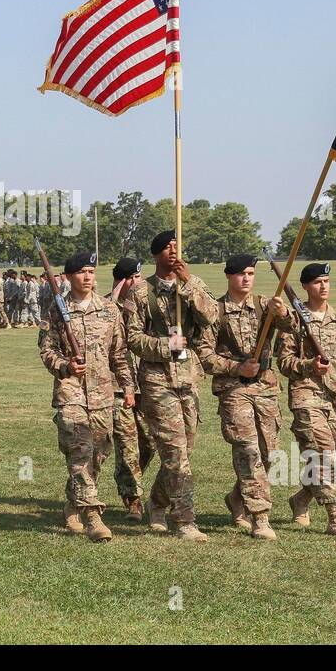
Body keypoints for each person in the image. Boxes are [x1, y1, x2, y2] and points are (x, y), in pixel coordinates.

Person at [121, 230, 218, 542]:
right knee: (175, 453)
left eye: (178, 246)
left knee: (184, 450)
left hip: (188, 378)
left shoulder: (194, 283)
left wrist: (187, 285)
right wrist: (166, 345)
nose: (174, 251)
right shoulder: (140, 292)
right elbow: (133, 338)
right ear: (156, 254)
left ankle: (157, 502)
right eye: (168, 247)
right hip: (157, 380)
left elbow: (210, 317)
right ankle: (185, 519)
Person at [195, 254, 293, 540]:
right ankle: (259, 517)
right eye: (241, 274)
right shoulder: (215, 311)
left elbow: (293, 328)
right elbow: (204, 355)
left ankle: (236, 498)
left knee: (269, 454)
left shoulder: (265, 305)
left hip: (265, 388)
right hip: (233, 389)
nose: (246, 279)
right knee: (248, 450)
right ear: (229, 276)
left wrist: (283, 314)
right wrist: (237, 367)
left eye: (250, 273)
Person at [39, 251, 134, 542]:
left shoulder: (109, 310)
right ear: (69, 277)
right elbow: (47, 350)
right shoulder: (57, 310)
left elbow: (119, 354)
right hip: (71, 392)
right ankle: (93, 516)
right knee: (79, 451)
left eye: (91, 272)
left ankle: (73, 502)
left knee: (97, 455)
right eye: (81, 272)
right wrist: (65, 366)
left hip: (103, 393)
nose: (88, 277)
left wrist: (128, 387)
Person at [278, 263, 336, 537]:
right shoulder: (294, 320)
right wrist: (309, 366)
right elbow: (285, 362)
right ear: (305, 286)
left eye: (326, 281)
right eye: (317, 282)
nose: (323, 286)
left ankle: (301, 498)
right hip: (306, 396)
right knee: (323, 456)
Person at [108, 257, 153, 522]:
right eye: (132, 278)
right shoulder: (105, 306)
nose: (138, 282)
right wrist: (114, 302)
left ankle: (128, 478)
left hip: (146, 384)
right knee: (127, 445)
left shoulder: (145, 304)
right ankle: (133, 500)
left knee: (150, 441)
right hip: (117, 387)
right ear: (120, 280)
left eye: (139, 277)